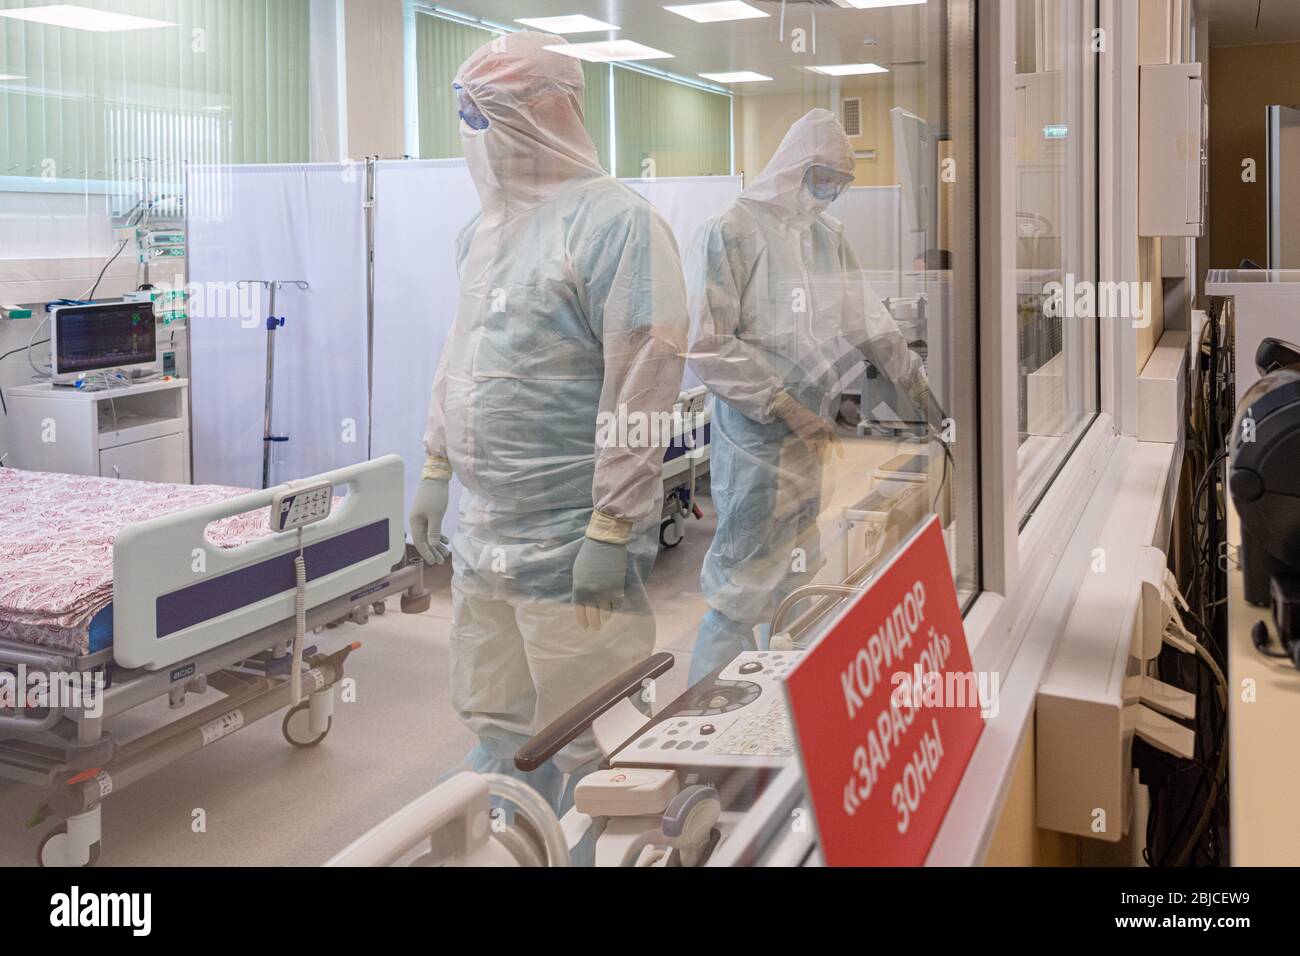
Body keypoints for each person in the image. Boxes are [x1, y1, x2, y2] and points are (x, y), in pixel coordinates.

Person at [408, 31, 688, 816]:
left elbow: (645, 378)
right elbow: (460, 360)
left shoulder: (616, 224)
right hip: (488, 525)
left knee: (592, 722)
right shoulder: (484, 230)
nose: (476, 137)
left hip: (572, 530)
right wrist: (435, 467)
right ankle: (509, 820)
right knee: (499, 711)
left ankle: (609, 833)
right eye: (467, 117)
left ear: (548, 112)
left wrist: (610, 524)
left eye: (485, 116)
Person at [685, 108, 930, 684]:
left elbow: (866, 319)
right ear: (794, 166)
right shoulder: (731, 231)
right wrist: (781, 405)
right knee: (745, 574)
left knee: (800, 562)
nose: (831, 191)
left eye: (841, 182)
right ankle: (707, 713)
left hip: (811, 429)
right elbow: (706, 345)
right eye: (823, 176)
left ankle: (785, 696)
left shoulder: (827, 236)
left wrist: (915, 383)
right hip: (756, 433)